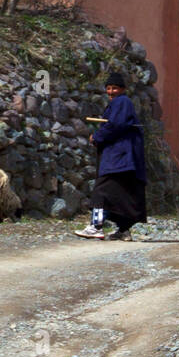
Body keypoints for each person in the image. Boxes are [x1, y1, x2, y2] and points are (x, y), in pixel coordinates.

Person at [74, 73, 147, 240]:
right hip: (126, 160)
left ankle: (96, 226)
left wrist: (97, 137)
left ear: (122, 89)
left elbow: (115, 125)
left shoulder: (122, 102)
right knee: (124, 194)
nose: (111, 91)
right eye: (108, 88)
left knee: (102, 190)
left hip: (119, 159)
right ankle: (124, 230)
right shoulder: (120, 104)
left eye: (114, 88)